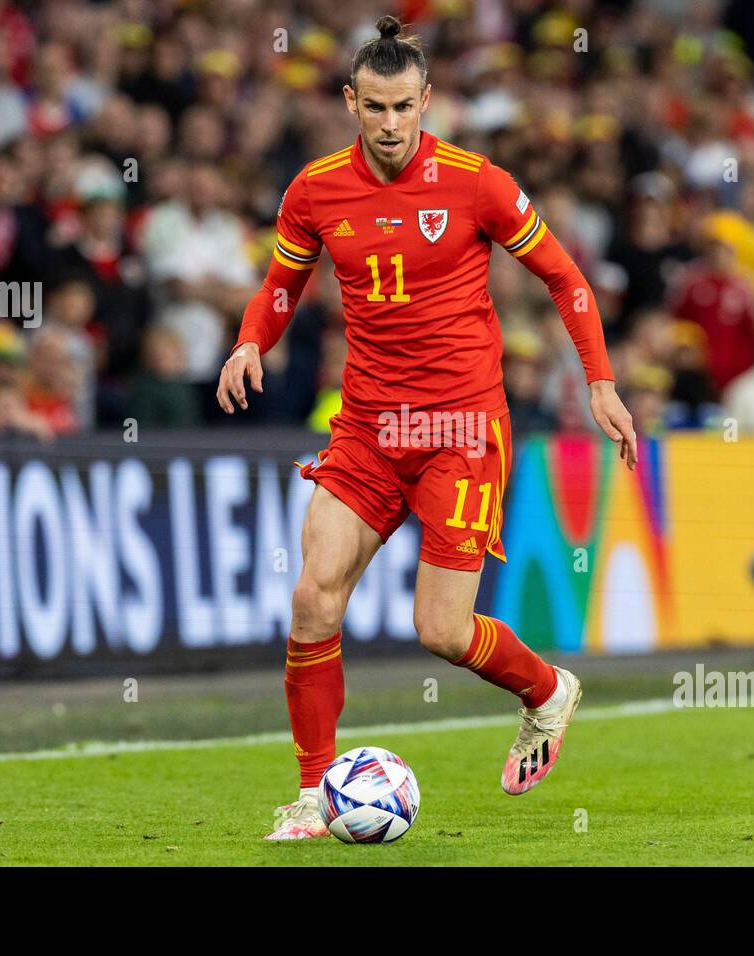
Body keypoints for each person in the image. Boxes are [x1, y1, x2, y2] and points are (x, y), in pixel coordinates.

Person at [217, 17, 635, 840]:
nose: (389, 124)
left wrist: (600, 381)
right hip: (370, 427)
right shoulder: (315, 190)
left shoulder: (477, 183)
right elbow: (280, 284)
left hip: (462, 430)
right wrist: (247, 343)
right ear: (350, 102)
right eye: (373, 107)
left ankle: (547, 690)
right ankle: (310, 796)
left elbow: (565, 278)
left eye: (403, 106)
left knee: (440, 630)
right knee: (311, 599)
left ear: (427, 101)